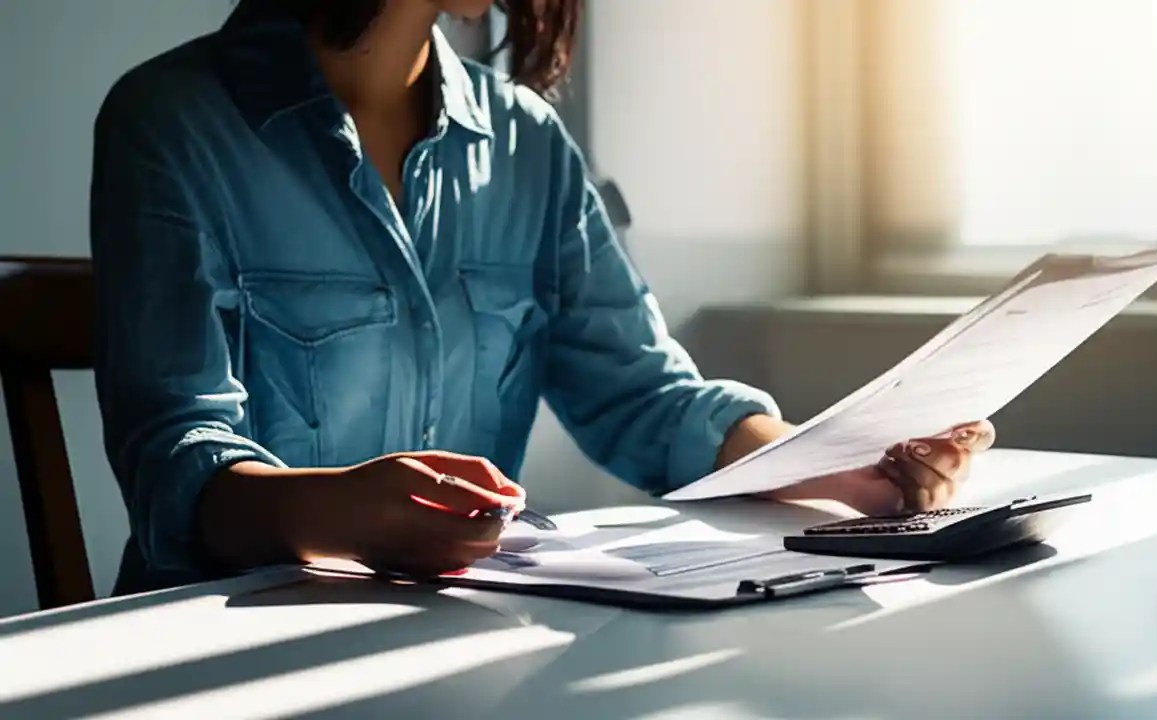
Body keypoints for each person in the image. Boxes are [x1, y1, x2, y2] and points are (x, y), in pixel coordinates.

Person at [91, 0, 996, 594]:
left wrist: (832, 466)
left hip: (453, 646)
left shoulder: (527, 141)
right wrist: (340, 509)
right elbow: (176, 464)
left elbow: (643, 396)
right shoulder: (170, 122)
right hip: (222, 652)